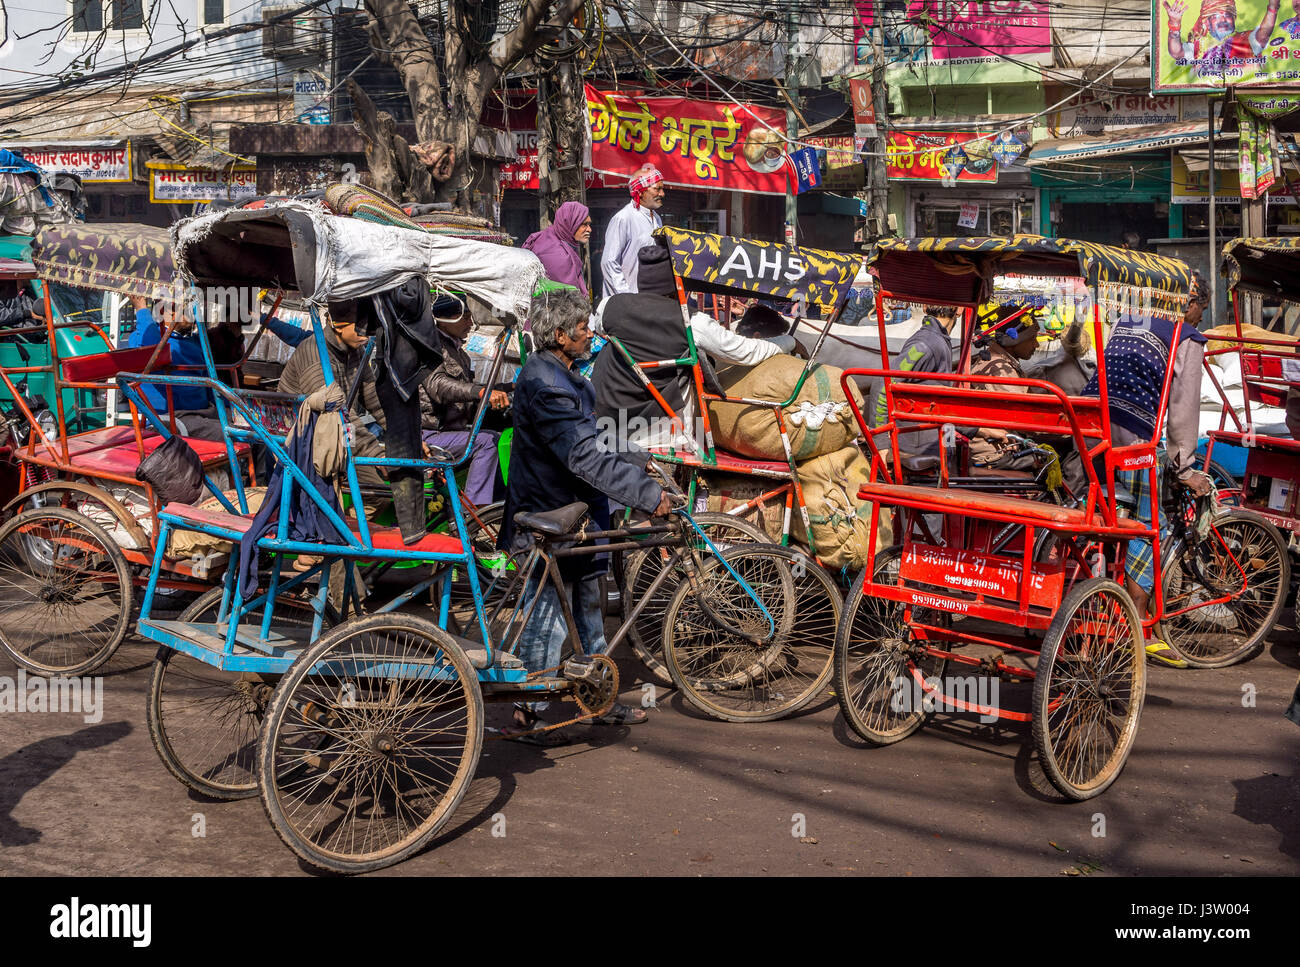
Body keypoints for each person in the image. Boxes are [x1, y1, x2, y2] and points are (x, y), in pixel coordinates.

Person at [499, 285, 671, 743]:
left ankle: (598, 698)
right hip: (548, 515)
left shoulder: (564, 374)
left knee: (589, 610)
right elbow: (584, 456)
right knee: (551, 617)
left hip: (576, 514)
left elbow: (592, 433)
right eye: (581, 329)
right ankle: (528, 708)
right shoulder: (545, 383)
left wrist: (637, 457)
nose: (589, 334)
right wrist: (646, 494)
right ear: (559, 334)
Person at [1082, 272, 1213, 668]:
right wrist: (1184, 465)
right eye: (1200, 311)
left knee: (1103, 517)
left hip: (1088, 425)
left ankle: (1093, 603)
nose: (1199, 320)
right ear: (1191, 303)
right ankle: (1137, 619)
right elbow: (1184, 410)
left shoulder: (1129, 320)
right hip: (1133, 435)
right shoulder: (1187, 337)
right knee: (1152, 523)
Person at [591, 243, 801, 449]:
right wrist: (789, 341)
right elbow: (744, 352)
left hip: (605, 416)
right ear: (677, 282)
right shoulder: (692, 321)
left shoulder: (609, 306)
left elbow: (598, 329)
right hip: (657, 427)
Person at [278, 298, 389, 494]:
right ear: (337, 325)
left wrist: (404, 436)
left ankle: (350, 521)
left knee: (381, 490)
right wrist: (376, 454)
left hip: (340, 435)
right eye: (361, 327)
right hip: (306, 441)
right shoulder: (314, 353)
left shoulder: (357, 350)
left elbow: (376, 400)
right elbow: (337, 412)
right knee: (376, 491)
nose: (367, 333)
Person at [871, 305, 1006, 459]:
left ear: (924, 307)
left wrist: (979, 429)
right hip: (919, 448)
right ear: (960, 310)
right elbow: (883, 384)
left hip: (935, 438)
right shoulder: (925, 344)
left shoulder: (938, 340)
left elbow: (939, 400)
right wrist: (881, 443)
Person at [419, 291, 509, 506]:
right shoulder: (430, 347)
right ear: (446, 320)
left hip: (452, 430)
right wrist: (480, 392)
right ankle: (474, 510)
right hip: (430, 434)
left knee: (499, 435)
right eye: (465, 316)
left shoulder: (460, 353)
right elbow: (438, 385)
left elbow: (471, 390)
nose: (471, 322)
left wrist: (509, 387)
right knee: (487, 442)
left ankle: (498, 503)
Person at [126, 295, 231, 442]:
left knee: (256, 430)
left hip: (205, 412)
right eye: (181, 306)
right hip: (174, 417)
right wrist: (141, 308)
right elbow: (152, 351)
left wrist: (229, 407)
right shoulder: (143, 338)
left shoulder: (193, 343)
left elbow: (210, 384)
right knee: (244, 436)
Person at [599, 164, 665, 300]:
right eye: (657, 189)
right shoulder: (623, 218)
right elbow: (609, 262)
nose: (662, 194)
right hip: (626, 301)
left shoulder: (657, 219)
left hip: (650, 298)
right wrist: (626, 296)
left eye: (662, 189)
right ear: (640, 192)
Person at [1165, 0, 1280, 74]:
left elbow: (1263, 35)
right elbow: (1176, 52)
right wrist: (1174, 26)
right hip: (1207, 96)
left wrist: (1273, 8)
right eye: (1216, 16)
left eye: (1227, 15)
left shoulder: (1246, 38)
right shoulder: (1199, 45)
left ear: (1234, 19)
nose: (1223, 20)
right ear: (1207, 23)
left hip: (1244, 96)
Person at [523, 201, 592, 298]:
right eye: (584, 224)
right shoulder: (557, 255)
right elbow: (568, 300)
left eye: (589, 224)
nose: (589, 229)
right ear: (569, 223)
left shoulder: (550, 237)